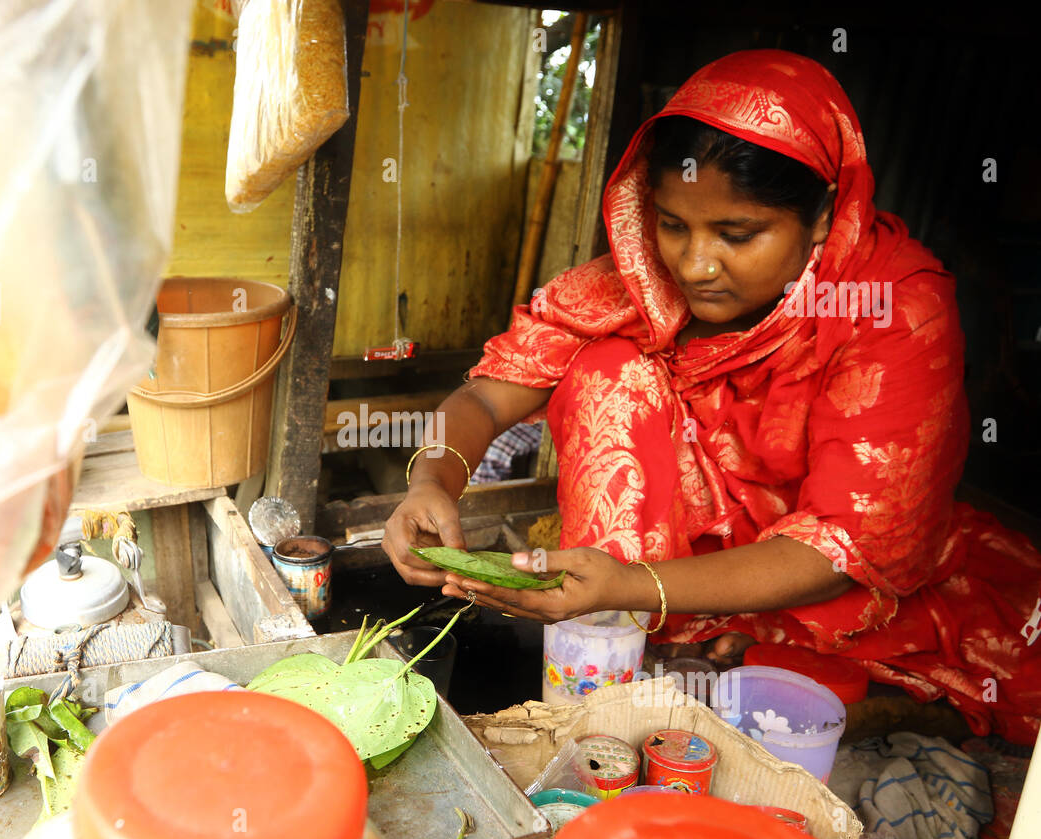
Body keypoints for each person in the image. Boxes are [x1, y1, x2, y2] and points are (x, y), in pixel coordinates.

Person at [382, 50, 1041, 745]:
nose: (695, 265)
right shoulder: (635, 283)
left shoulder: (892, 309)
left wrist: (629, 586)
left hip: (803, 577)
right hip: (641, 581)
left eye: (737, 235)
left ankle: (681, 629)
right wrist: (431, 480)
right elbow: (484, 402)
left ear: (823, 214)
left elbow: (843, 550)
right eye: (673, 225)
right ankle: (631, 655)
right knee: (611, 367)